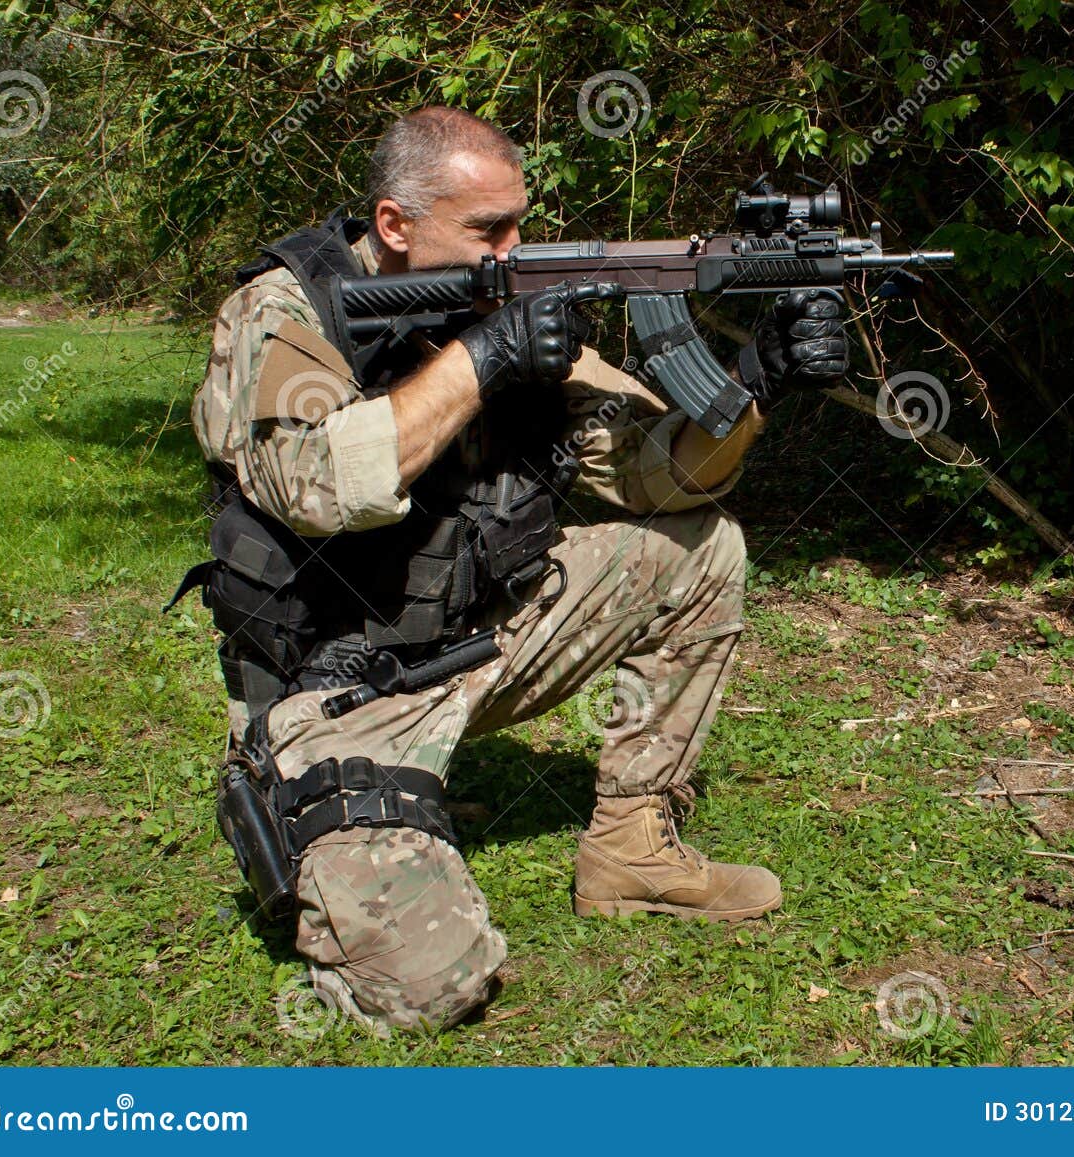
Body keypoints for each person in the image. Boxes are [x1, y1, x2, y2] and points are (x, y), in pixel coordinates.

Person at [184, 106, 847, 1034]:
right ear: (394, 225)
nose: (515, 248)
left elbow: (660, 475)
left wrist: (752, 384)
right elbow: (316, 485)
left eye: (521, 222)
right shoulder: (284, 314)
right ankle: (327, 810)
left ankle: (631, 848)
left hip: (472, 643)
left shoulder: (499, 306)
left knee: (702, 548)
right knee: (433, 988)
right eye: (488, 230)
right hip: (331, 695)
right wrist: (479, 360)